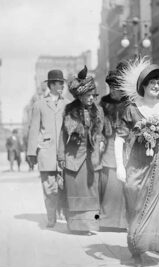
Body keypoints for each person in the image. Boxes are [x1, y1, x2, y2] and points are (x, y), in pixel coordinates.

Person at [114, 58, 159, 267]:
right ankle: (135, 245)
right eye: (151, 83)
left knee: (154, 204)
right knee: (134, 201)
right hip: (136, 162)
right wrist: (119, 165)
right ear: (143, 85)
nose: (156, 86)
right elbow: (119, 137)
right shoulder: (131, 109)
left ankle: (142, 249)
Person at [57, 66, 106, 233]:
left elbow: (103, 133)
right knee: (76, 191)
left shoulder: (99, 111)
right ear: (80, 96)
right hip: (74, 158)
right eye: (88, 95)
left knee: (92, 192)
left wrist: (101, 141)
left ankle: (92, 225)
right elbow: (63, 136)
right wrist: (61, 157)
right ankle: (76, 226)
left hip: (92, 159)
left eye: (93, 95)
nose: (91, 98)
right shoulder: (69, 111)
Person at [27, 69, 69, 228]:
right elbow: (33, 130)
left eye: (62, 83)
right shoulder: (39, 104)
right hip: (46, 151)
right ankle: (51, 216)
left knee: (64, 185)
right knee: (49, 187)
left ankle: (63, 213)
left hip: (64, 152)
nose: (61, 86)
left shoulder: (68, 104)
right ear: (50, 85)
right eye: (58, 83)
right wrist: (31, 153)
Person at [98, 69, 127, 230]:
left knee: (125, 182)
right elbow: (99, 122)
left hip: (126, 144)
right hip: (109, 143)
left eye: (117, 86)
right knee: (110, 180)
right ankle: (108, 220)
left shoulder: (129, 102)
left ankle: (124, 221)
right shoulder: (104, 102)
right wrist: (101, 138)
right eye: (111, 86)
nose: (114, 90)